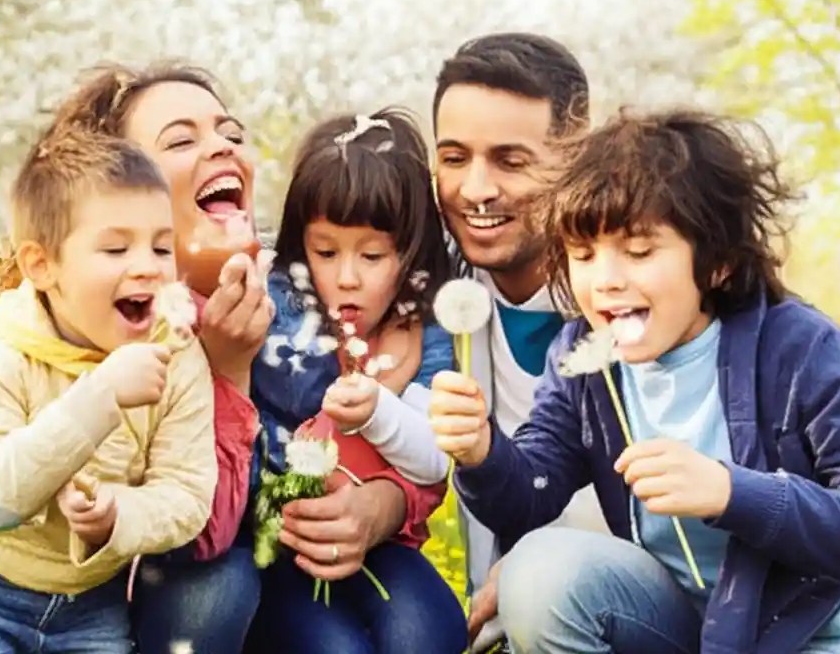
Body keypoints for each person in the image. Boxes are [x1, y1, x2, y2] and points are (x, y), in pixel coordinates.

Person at [430, 109, 840, 653]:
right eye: (583, 255)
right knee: (540, 572)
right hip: (674, 626)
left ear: (718, 261)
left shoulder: (800, 349)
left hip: (805, 637)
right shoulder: (587, 359)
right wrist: (482, 451)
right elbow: (528, 498)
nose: (605, 281)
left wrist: (733, 493)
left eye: (638, 252)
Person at [0, 126, 216, 652]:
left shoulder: (178, 356)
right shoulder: (1, 352)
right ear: (41, 265)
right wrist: (100, 397)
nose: (146, 265)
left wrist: (116, 515)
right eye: (116, 247)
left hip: (90, 603)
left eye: (162, 247)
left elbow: (187, 494)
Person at [49, 63, 272, 653]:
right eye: (182, 139)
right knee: (218, 586)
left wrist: (231, 367)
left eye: (231, 133)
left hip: (197, 571)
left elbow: (215, 529)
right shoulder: (80, 319)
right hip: (68, 593)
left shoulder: (272, 303)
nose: (223, 146)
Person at [246, 107, 466, 653]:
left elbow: (432, 460)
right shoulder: (275, 305)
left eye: (372, 255)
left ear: (410, 252)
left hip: (377, 545)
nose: (345, 278)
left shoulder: (425, 333)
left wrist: (376, 406)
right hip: (272, 545)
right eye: (325, 252)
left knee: (429, 630)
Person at [431, 32, 607, 648]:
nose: (476, 189)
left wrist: (546, 564)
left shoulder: (635, 291)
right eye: (454, 158)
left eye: (511, 160)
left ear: (576, 157)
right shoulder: (428, 279)